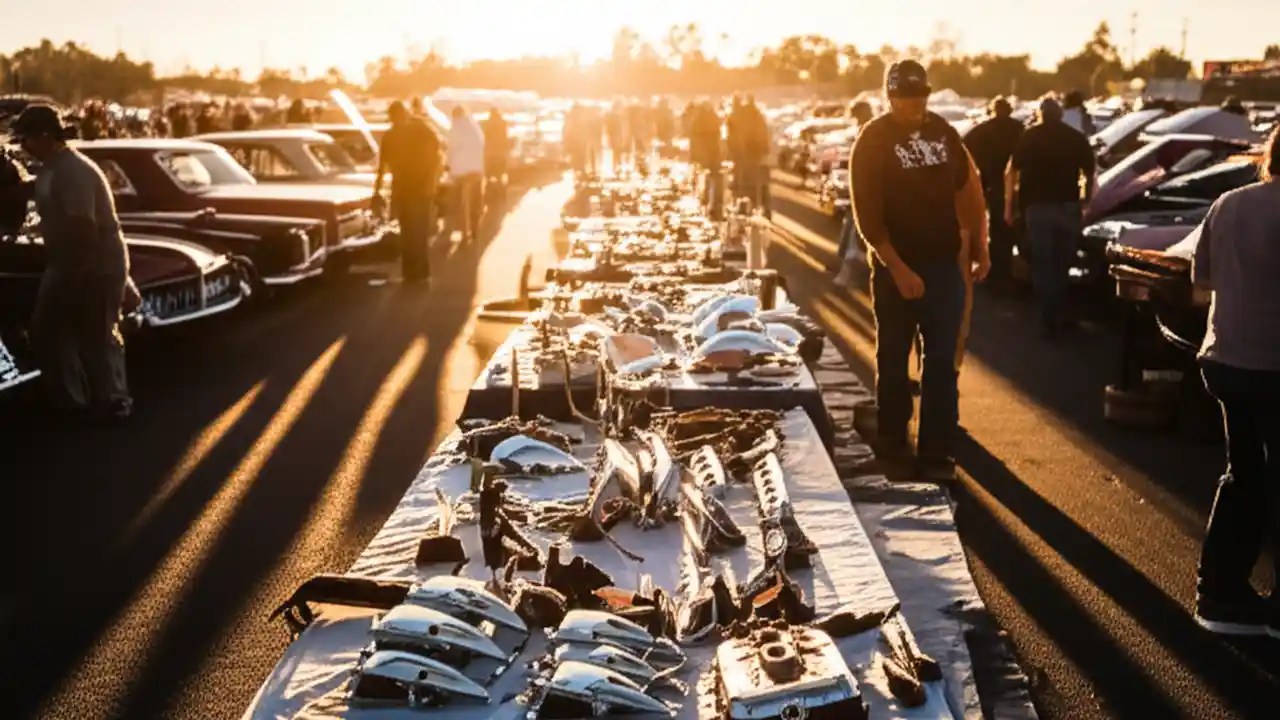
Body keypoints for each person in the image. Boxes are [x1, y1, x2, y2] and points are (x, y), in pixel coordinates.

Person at [850, 60, 989, 480]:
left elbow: (968, 189)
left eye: (922, 96)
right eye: (907, 98)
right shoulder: (872, 139)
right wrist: (898, 268)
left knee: (942, 361)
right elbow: (866, 218)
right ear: (890, 97)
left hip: (943, 266)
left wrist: (980, 246)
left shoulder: (943, 134)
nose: (916, 105)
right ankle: (894, 441)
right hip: (896, 269)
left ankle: (937, 450)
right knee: (893, 357)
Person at [1190, 126, 1280, 637]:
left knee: (1243, 472)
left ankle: (1219, 595)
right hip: (1272, 362)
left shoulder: (1228, 202)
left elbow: (1201, 279)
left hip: (1227, 360)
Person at [11, 104, 133, 420]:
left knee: (97, 335)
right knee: (49, 332)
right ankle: (74, 400)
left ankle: (110, 403)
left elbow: (83, 227)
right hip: (67, 262)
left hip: (91, 265)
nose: (22, 145)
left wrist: (73, 275)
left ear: (45, 135)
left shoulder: (73, 171)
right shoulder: (51, 167)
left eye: (26, 138)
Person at [1005, 95, 1096, 337]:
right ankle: (1058, 310)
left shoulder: (1029, 137)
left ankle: (1048, 315)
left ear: (1041, 114)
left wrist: (1010, 206)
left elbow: (1012, 173)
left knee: (1043, 263)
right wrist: (1086, 202)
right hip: (1067, 207)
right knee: (1062, 263)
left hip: (1037, 208)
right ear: (1061, 114)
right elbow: (1090, 171)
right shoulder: (1076, 138)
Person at [373, 100, 441, 285]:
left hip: (406, 189)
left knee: (409, 232)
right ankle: (420, 272)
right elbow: (437, 150)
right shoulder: (418, 130)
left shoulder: (391, 135)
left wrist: (377, 190)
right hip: (419, 189)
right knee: (418, 231)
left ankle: (411, 273)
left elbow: (382, 166)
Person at [963, 96, 1024, 287]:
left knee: (996, 230)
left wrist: (977, 171)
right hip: (1014, 187)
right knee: (1010, 230)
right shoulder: (1019, 130)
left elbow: (963, 147)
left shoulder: (982, 130)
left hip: (993, 185)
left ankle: (996, 272)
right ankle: (1004, 272)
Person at [833, 101, 876, 286]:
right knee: (851, 226)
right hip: (861, 189)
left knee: (858, 231)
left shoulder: (871, 132)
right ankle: (845, 267)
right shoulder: (866, 130)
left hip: (869, 191)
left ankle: (848, 273)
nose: (856, 120)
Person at [448, 105, 485, 243]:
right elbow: (482, 144)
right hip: (477, 170)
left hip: (461, 172)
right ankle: (475, 229)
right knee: (476, 201)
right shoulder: (475, 127)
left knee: (462, 204)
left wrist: (449, 166)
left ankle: (464, 233)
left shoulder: (455, 127)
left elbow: (451, 148)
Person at [690, 101, 724, 219]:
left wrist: (694, 156)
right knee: (713, 181)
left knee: (703, 180)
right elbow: (718, 135)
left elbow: (694, 139)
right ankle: (714, 206)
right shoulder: (713, 118)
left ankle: (704, 204)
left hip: (704, 155)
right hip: (713, 154)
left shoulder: (698, 119)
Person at [482, 107, 510, 190]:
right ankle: (500, 188)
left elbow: (485, 137)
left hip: (490, 152)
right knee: (499, 172)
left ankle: (490, 187)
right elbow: (505, 137)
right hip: (500, 152)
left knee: (489, 173)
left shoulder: (487, 124)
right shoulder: (503, 123)